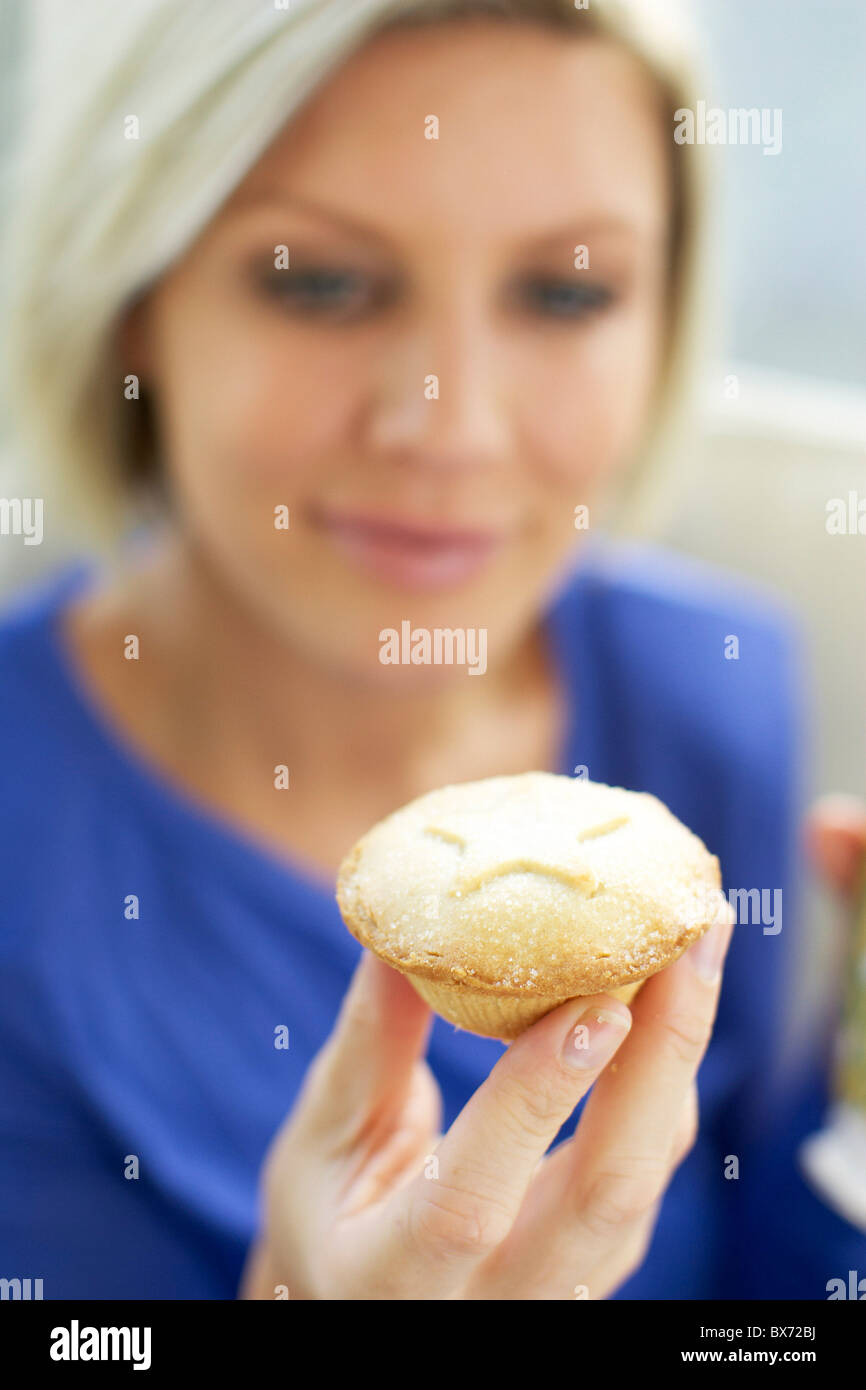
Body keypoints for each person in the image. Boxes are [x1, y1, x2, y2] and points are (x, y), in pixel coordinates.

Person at [0, 0, 863, 1300]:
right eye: (316, 281)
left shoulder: (709, 688)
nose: (448, 426)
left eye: (566, 290)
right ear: (135, 304)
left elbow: (763, 1278)